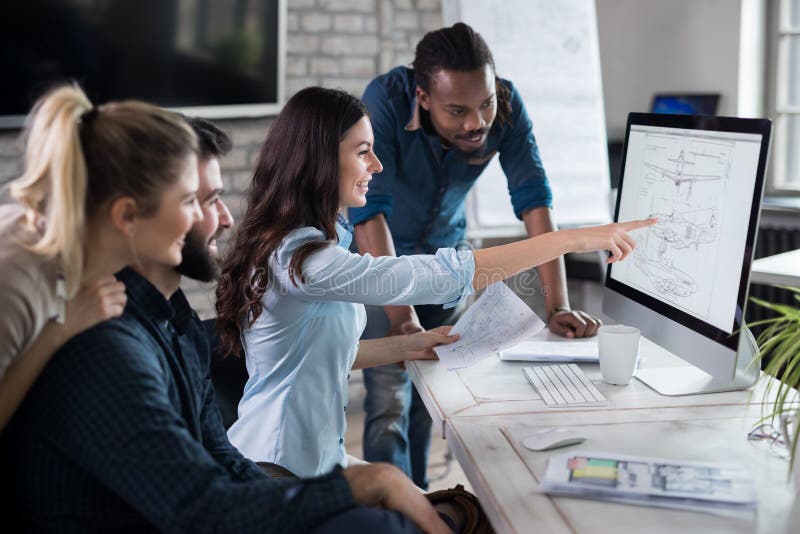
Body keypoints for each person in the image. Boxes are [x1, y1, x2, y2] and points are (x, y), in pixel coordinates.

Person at [1, 116, 476, 534]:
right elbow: (199, 510)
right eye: (196, 200)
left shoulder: (174, 321)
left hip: (243, 488)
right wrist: (364, 483)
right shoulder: (105, 348)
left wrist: (344, 490)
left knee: (429, 512)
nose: (226, 218)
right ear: (128, 217)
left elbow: (224, 460)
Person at [215, 86, 654, 481]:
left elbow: (313, 354)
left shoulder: (304, 243)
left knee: (419, 500)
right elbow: (432, 277)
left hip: (315, 458)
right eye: (363, 151)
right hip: (278, 467)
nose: (377, 165)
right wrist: (571, 238)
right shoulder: (303, 258)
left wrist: (410, 345)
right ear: (321, 160)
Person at [350, 22, 607, 487]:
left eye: (484, 103)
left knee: (431, 394)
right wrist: (402, 317)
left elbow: (535, 202)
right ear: (424, 98)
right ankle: (391, 511)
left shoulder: (504, 106)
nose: (477, 122)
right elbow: (369, 214)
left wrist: (557, 306)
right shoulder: (384, 100)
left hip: (448, 265)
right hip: (381, 261)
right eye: (458, 110)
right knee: (389, 400)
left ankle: (419, 497)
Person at [0, 84, 203, 430]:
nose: (198, 217)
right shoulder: (18, 280)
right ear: (126, 216)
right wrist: (59, 331)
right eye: (187, 200)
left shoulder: (80, 251)